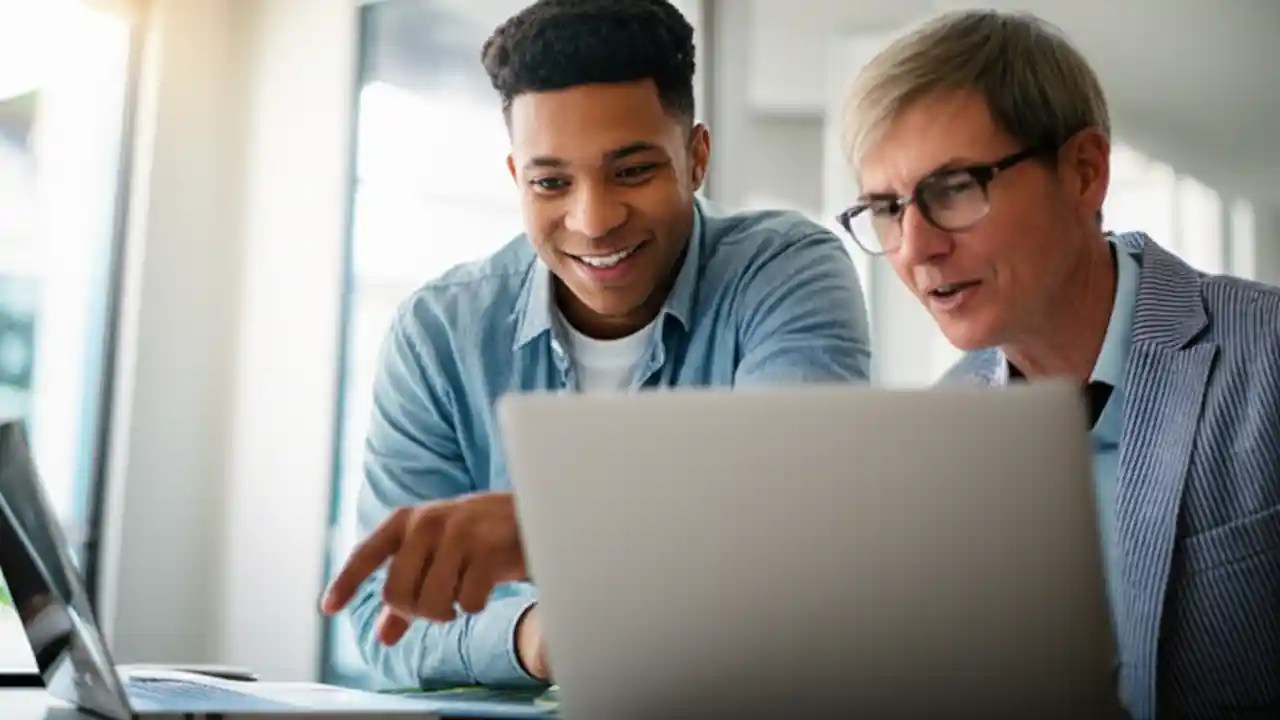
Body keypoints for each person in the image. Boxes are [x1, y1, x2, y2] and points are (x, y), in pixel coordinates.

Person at [322, 0, 871, 690]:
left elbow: (795, 518)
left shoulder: (785, 271)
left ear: (696, 158)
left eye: (633, 171)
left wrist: (547, 530)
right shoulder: (437, 334)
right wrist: (540, 635)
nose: (594, 220)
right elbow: (388, 616)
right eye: (551, 182)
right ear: (516, 179)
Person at [835, 10, 1280, 719]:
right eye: (886, 208)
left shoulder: (1268, 354)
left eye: (952, 189)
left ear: (1083, 173)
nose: (915, 249)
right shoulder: (940, 433)